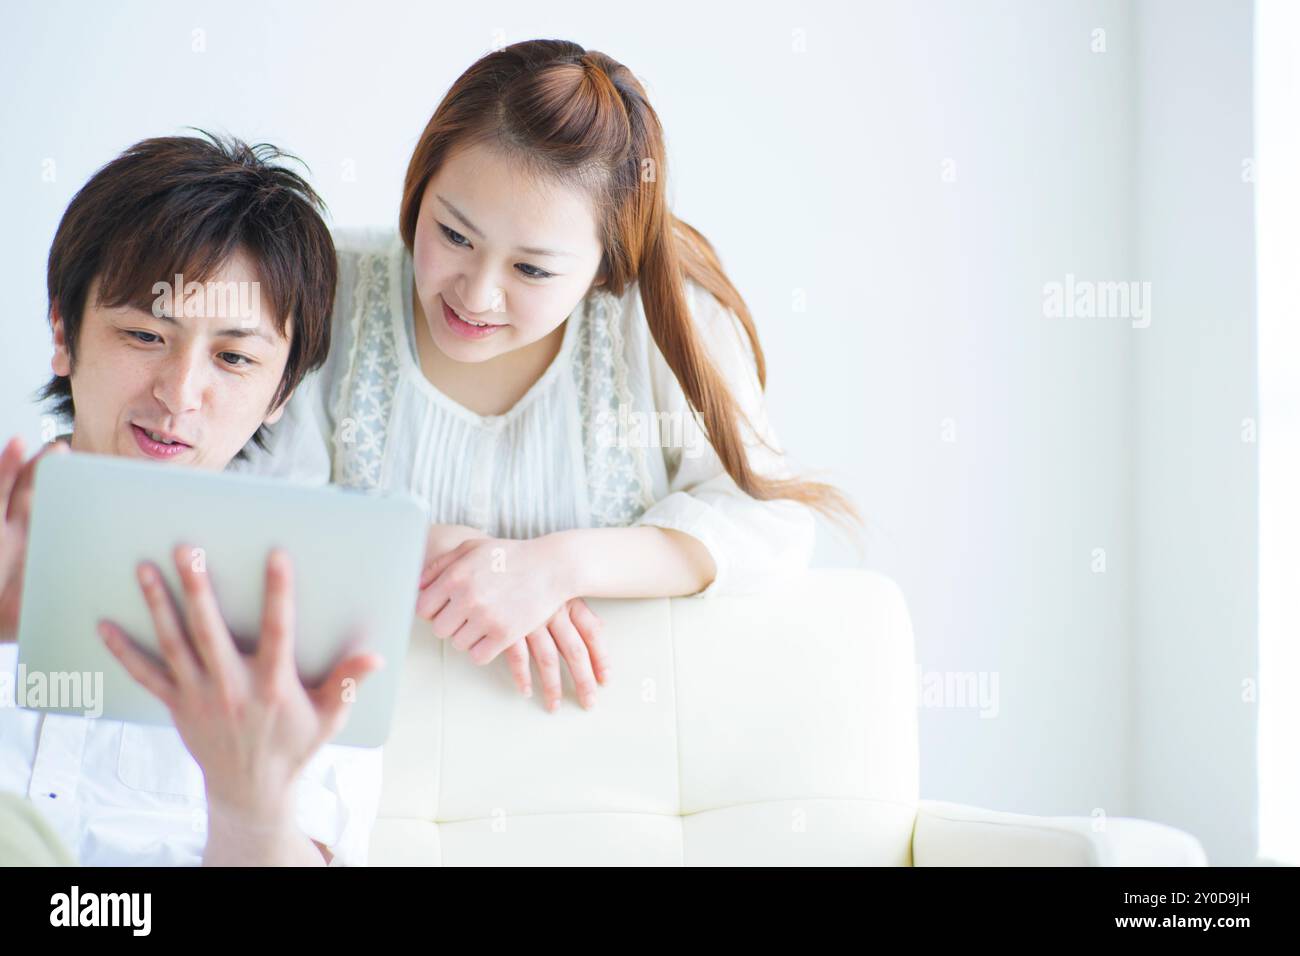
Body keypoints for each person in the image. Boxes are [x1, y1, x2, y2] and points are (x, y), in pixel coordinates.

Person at [236, 39, 858, 714]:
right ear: (419, 188)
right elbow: (245, 518)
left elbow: (769, 528)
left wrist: (556, 567)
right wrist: (430, 547)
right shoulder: (330, 286)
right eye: (453, 235)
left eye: (531, 270)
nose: (475, 295)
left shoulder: (657, 319)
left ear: (603, 266)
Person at [0, 132, 382, 866]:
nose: (178, 396)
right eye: (145, 335)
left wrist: (250, 804)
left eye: (234, 357)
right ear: (63, 332)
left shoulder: (310, 626)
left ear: (283, 393)